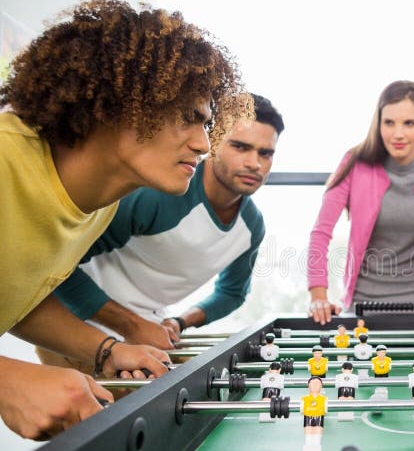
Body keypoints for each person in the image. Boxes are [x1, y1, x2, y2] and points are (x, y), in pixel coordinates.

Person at [0, 0, 241, 440]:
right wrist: (6, 381)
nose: (204, 145)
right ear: (123, 100)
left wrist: (106, 350)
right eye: (190, 118)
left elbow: (13, 297)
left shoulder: (102, 202)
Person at [48, 94, 282, 360]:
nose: (255, 163)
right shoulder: (156, 193)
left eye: (266, 153)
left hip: (148, 330)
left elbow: (232, 293)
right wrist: (132, 326)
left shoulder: (252, 226)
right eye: (240, 147)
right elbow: (58, 266)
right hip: (75, 326)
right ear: (212, 142)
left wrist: (179, 322)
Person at [307, 80, 414, 324]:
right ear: (378, 124)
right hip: (361, 308)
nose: (398, 134)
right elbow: (321, 234)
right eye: (389, 123)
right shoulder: (354, 162)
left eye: (409, 123)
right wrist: (318, 296)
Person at [301, 376, 327, 451]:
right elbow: (302, 409)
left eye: (317, 383)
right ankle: (308, 446)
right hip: (308, 416)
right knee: (308, 430)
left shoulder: (324, 398)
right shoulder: (304, 398)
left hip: (319, 416)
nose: (315, 385)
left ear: (321, 386)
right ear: (308, 385)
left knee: (317, 430)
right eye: (312, 383)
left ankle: (316, 447)